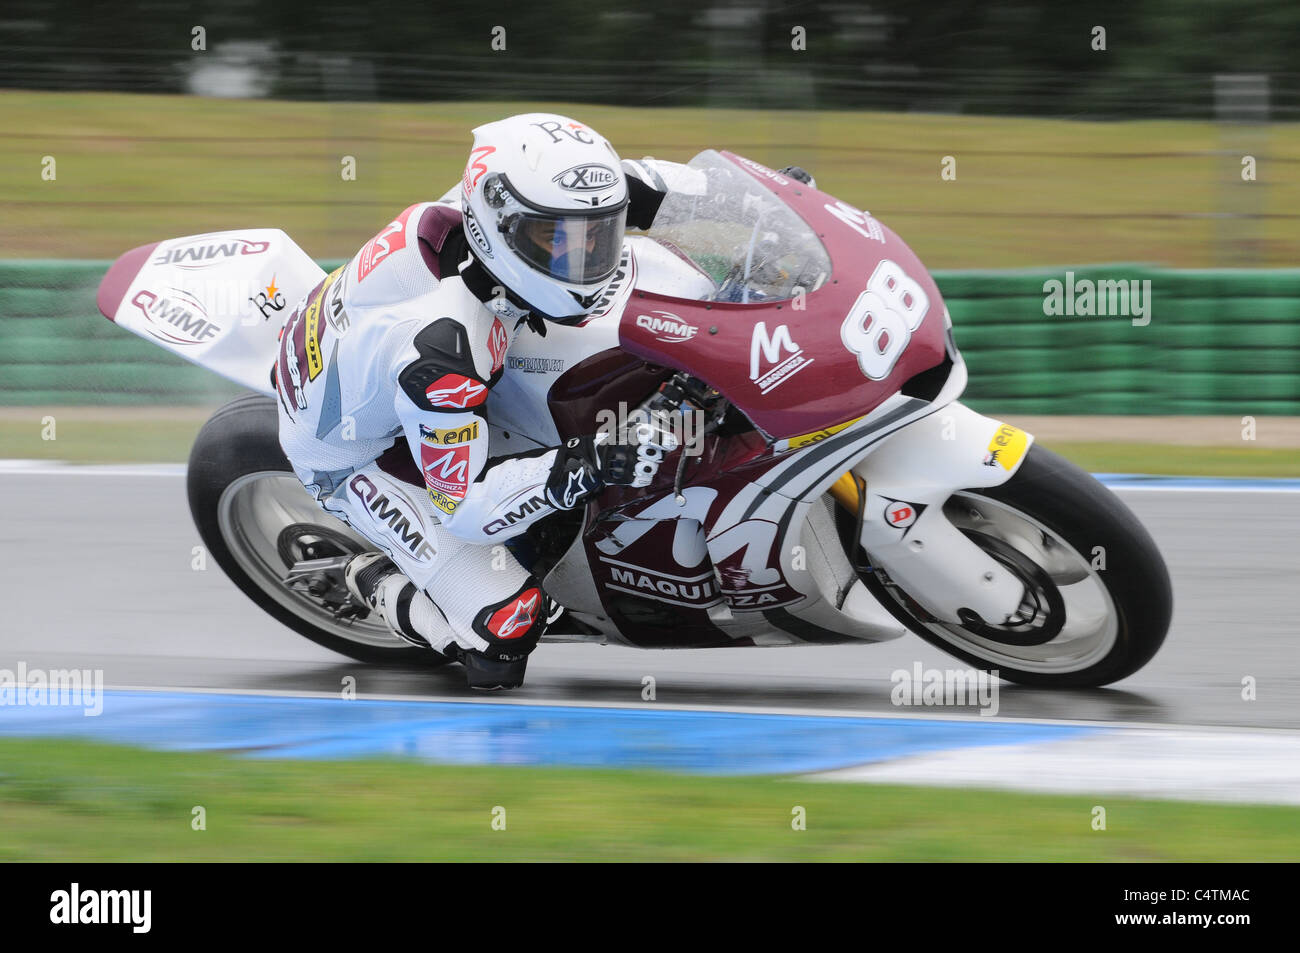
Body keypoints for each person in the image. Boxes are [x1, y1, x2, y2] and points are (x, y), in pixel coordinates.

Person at [273, 113, 679, 689]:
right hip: (358, 452)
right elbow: (463, 510)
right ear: (501, 228)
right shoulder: (444, 353)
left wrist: (760, 208)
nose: (584, 258)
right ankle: (371, 578)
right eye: (557, 242)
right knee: (504, 634)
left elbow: (659, 184)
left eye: (598, 235)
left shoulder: (502, 200)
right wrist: (584, 465)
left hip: (390, 367)